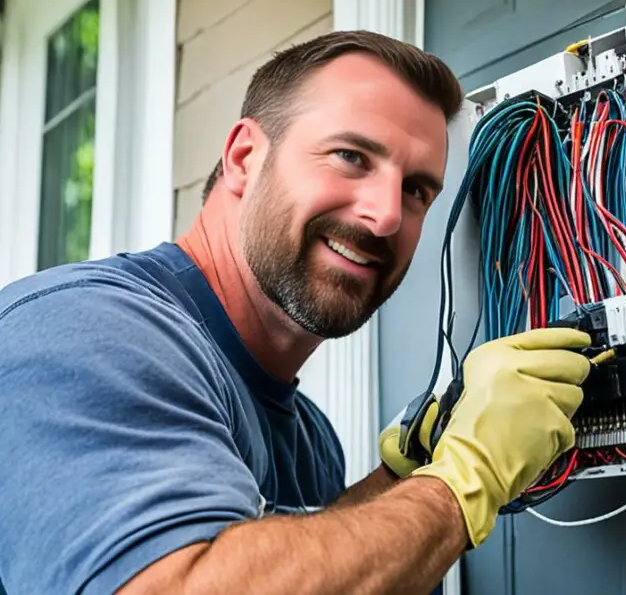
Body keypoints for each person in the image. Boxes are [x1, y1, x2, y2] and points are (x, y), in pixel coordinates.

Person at [0, 31, 592, 594]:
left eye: (415, 189)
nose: (386, 214)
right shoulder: (84, 333)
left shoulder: (309, 438)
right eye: (351, 157)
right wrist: (464, 482)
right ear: (243, 157)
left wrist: (395, 485)